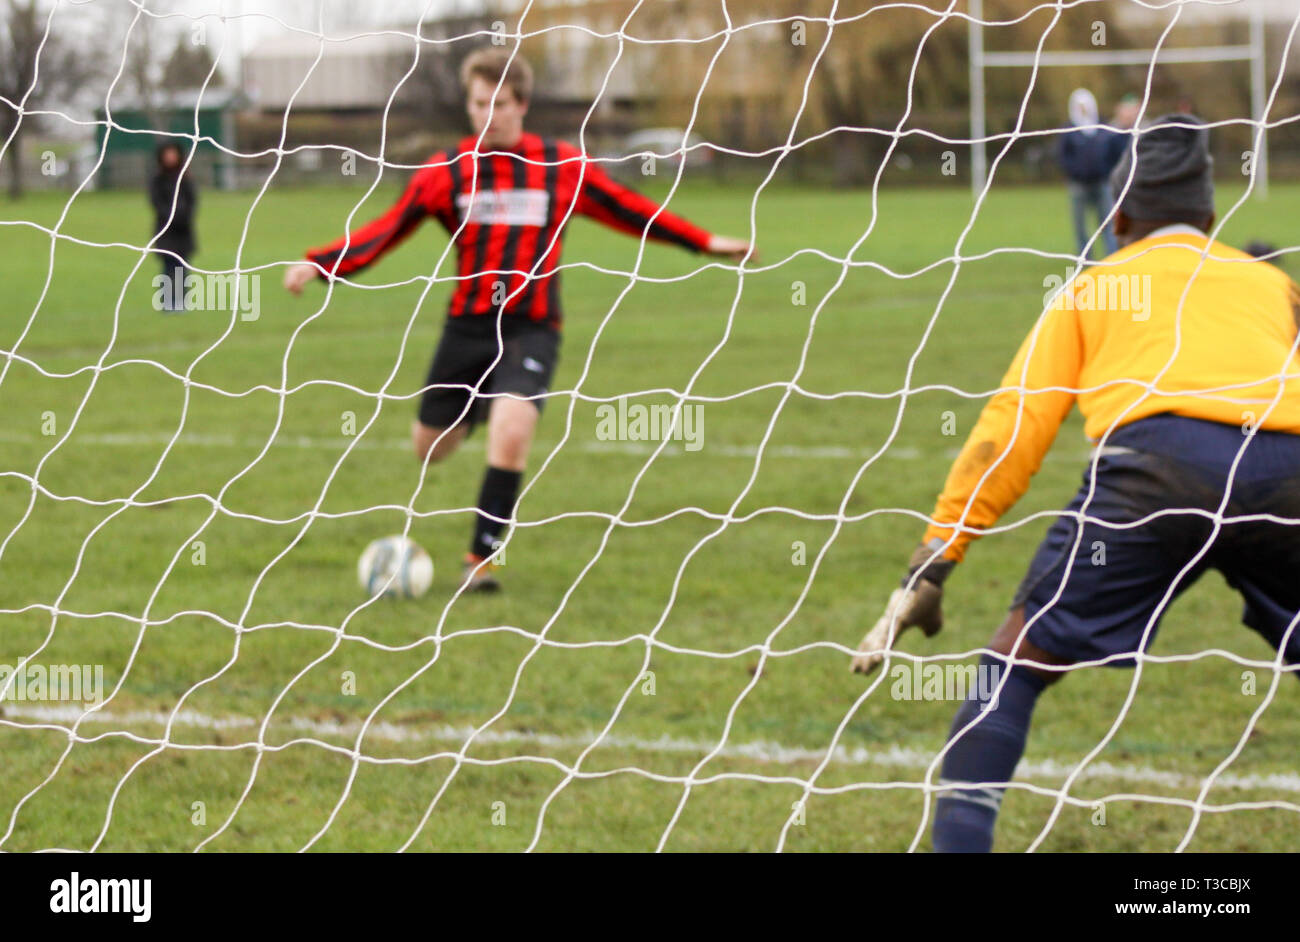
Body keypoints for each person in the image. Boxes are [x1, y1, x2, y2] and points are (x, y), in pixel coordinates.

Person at [851, 115, 1300, 852]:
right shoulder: (1273, 284)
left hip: (1157, 469)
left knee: (1010, 669)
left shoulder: (1096, 286)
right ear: (1212, 220)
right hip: (1289, 470)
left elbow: (1012, 428)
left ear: (1118, 215)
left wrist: (935, 561)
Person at [284, 49, 752, 592]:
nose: (488, 115)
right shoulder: (447, 172)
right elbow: (385, 230)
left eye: (499, 104)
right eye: (479, 104)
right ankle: (480, 403)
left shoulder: (560, 166)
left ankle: (483, 561)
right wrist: (321, 263)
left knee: (512, 432)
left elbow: (629, 208)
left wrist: (703, 242)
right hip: (468, 327)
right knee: (430, 448)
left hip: (531, 327)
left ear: (522, 104)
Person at [1057, 88, 1124, 259]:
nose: (1083, 109)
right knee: (1080, 224)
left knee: (1107, 222)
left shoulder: (1102, 126)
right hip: (1078, 184)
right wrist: (1075, 171)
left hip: (1102, 183)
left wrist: (1107, 170)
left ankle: (1112, 256)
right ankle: (1084, 257)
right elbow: (1062, 155)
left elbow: (1114, 152)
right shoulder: (1069, 129)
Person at [149, 140, 198, 313]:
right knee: (168, 267)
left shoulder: (185, 177)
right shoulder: (158, 179)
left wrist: (183, 216)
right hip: (165, 232)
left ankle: (181, 302)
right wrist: (171, 216)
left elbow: (193, 201)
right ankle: (167, 303)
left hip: (183, 231)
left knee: (182, 267)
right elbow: (156, 202)